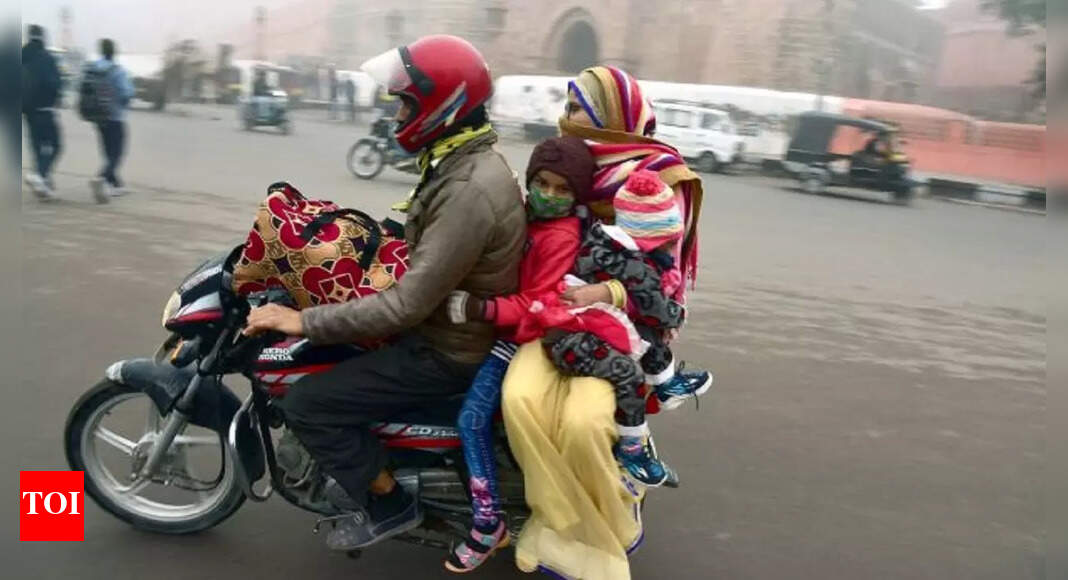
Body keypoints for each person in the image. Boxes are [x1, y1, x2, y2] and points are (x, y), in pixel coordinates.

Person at [242, 35, 526, 552]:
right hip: (451, 326)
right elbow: (428, 248)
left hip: (446, 350)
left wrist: (300, 321)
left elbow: (405, 306)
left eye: (405, 102)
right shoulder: (463, 161)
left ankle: (389, 503)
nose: (396, 112)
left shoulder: (468, 188)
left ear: (443, 107)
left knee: (309, 402)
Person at [500, 66, 705, 580]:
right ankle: (556, 519)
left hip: (620, 331)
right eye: (567, 108)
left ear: (611, 118)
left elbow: (665, 283)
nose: (563, 120)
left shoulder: (661, 181)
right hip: (556, 321)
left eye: (575, 110)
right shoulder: (572, 164)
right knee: (519, 401)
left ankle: (605, 524)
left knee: (583, 423)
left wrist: (608, 291)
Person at [441, 136, 592, 573]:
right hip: (499, 327)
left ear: (577, 194)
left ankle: (488, 523)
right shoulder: (522, 215)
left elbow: (540, 303)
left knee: (471, 418)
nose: (549, 194)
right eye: (542, 182)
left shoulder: (561, 237)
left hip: (520, 338)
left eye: (563, 189)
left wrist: (481, 308)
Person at [86, 38, 135, 203]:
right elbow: (127, 93)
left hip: (97, 117)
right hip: (115, 117)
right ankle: (101, 178)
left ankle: (117, 185)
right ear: (113, 52)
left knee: (108, 153)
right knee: (117, 153)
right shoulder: (117, 71)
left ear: (101, 51)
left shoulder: (91, 69)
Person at [21, 24, 63, 201]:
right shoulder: (46, 57)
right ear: (42, 37)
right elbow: (54, 83)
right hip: (45, 109)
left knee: (37, 147)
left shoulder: (21, 55)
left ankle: (43, 184)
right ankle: (40, 175)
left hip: (26, 110)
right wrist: (57, 96)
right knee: (56, 145)